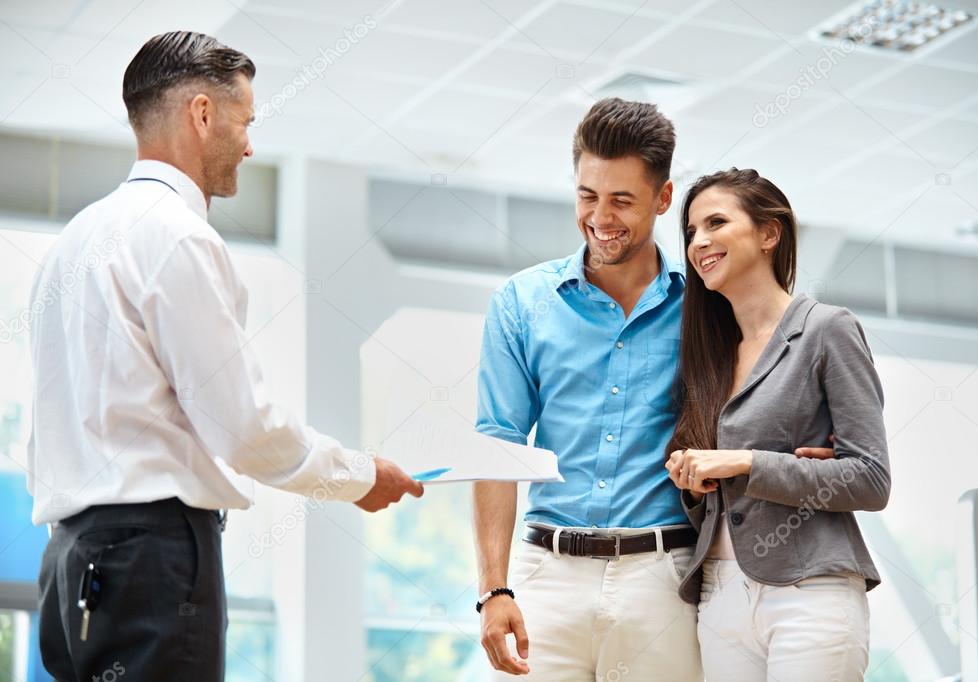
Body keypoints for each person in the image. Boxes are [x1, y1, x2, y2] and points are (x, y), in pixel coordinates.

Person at [29, 31, 423, 681]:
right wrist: (356, 476)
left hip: (69, 563)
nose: (248, 144)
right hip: (149, 560)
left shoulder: (74, 242)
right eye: (244, 122)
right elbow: (242, 429)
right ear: (203, 115)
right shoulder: (177, 236)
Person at [472, 100, 834, 680]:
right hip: (547, 575)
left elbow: (767, 373)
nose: (600, 217)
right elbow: (497, 443)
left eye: (622, 200)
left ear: (663, 199)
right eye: (588, 195)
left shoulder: (707, 306)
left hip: (663, 578)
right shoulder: (521, 302)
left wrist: (820, 436)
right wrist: (494, 590)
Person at [664, 168, 891, 681]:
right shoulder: (710, 355)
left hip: (810, 589)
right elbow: (719, 488)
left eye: (716, 223)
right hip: (720, 590)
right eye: (691, 231)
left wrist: (746, 461)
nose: (700, 242)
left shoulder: (827, 330)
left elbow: (871, 479)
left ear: (770, 233)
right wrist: (694, 481)